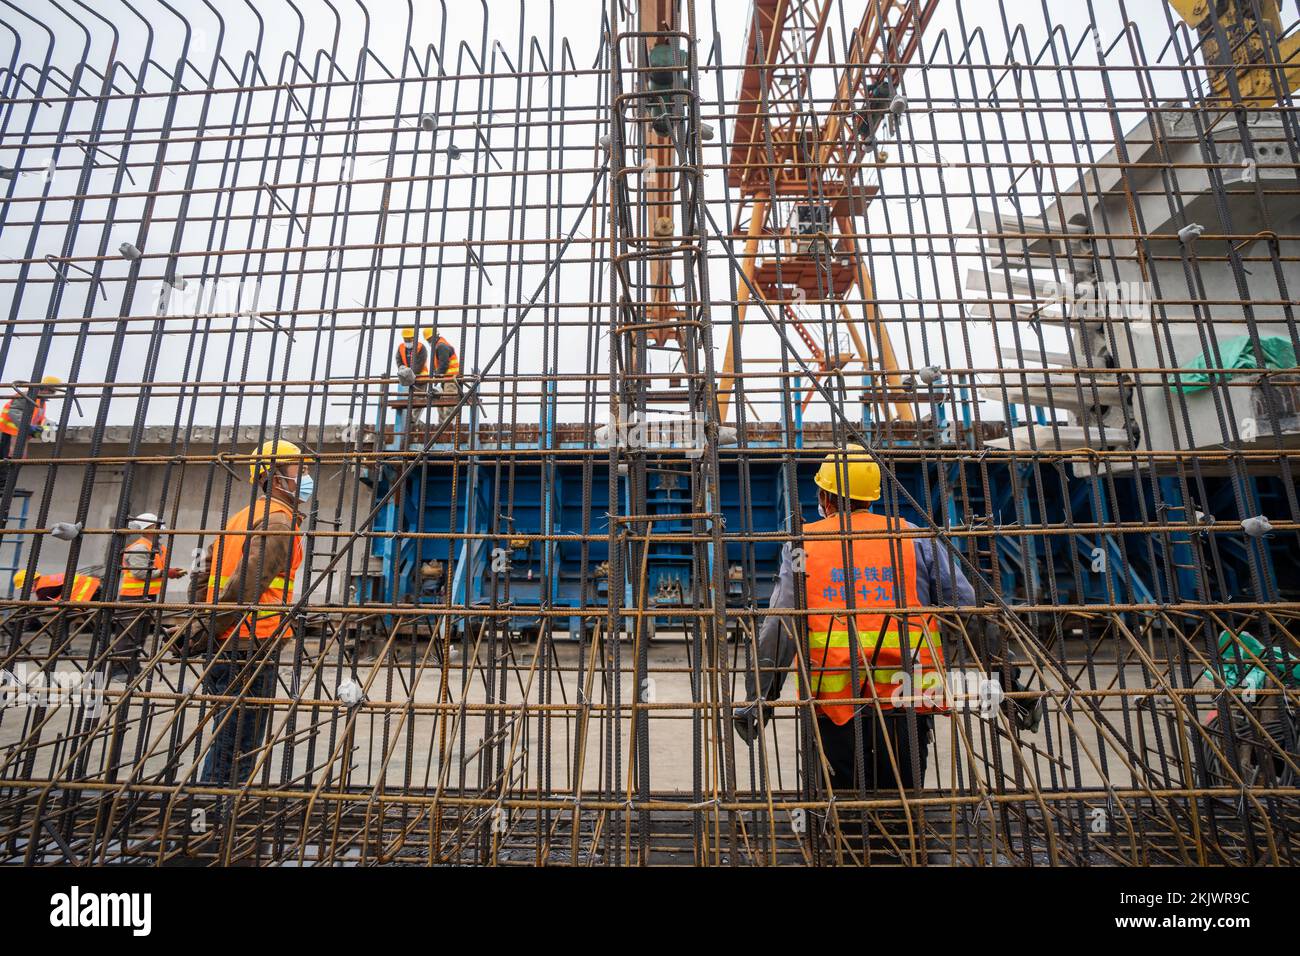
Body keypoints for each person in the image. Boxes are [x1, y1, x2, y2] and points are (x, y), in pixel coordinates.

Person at [733, 444, 974, 791]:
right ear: (871, 498)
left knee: (843, 807)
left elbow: (780, 625)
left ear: (824, 496)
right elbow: (969, 609)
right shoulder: (914, 538)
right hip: (906, 703)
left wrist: (761, 699)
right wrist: (1008, 680)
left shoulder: (802, 546)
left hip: (836, 709)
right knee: (903, 805)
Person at [177, 440, 309, 793]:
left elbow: (201, 569)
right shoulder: (279, 522)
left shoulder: (241, 516)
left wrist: (201, 619)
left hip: (227, 644)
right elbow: (246, 588)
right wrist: (207, 627)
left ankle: (210, 804)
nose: (306, 474)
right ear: (275, 475)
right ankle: (217, 814)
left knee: (225, 732)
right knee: (238, 743)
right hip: (251, 644)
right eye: (299, 468)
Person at [112, 512, 187, 680]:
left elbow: (155, 569)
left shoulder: (156, 547)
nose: (161, 532)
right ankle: (119, 670)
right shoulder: (140, 548)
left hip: (148, 596)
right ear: (148, 529)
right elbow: (139, 572)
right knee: (128, 635)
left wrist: (169, 572)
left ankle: (132, 667)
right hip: (133, 597)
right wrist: (166, 573)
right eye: (157, 528)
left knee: (140, 634)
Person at [0, 376, 60, 462]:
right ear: (46, 389)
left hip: (22, 433)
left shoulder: (41, 401)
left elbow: (38, 418)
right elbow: (14, 411)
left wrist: (46, 427)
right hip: (11, 432)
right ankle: (5, 474)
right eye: (52, 391)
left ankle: (9, 473)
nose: (52, 394)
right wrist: (27, 426)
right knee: (10, 457)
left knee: (20, 458)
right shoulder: (28, 396)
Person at [422, 326, 460, 423]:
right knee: (441, 404)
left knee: (448, 405)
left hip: (451, 380)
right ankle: (442, 429)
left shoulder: (441, 346)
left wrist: (436, 380)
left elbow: (443, 365)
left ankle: (448, 427)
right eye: (428, 340)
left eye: (430, 339)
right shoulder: (438, 346)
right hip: (446, 380)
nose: (430, 341)